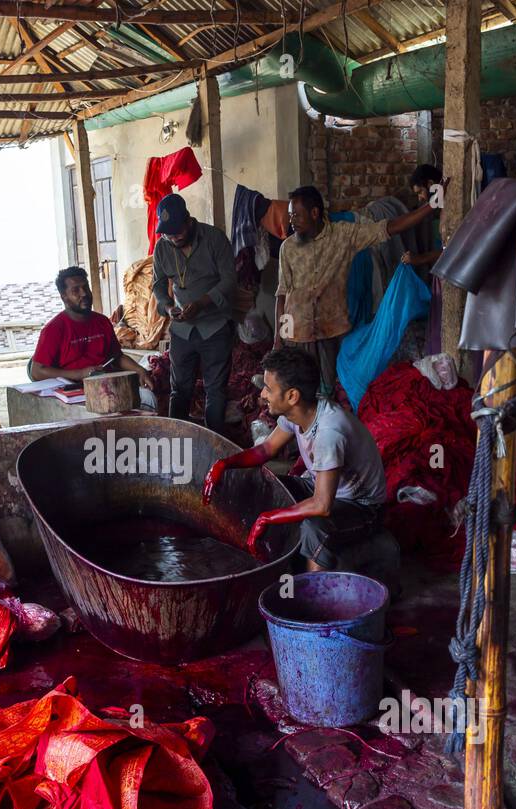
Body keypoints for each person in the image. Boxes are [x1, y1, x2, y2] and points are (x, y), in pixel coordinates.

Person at [203, 348, 386, 571]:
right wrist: (225, 464)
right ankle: (262, 561)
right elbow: (266, 450)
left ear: (292, 396)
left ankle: (313, 594)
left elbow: (322, 505)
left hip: (361, 506)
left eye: (268, 389)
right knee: (266, 484)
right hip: (321, 487)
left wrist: (268, 518)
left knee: (314, 528)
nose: (262, 395)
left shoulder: (329, 432)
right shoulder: (298, 412)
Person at [275, 184, 441, 398]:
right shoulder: (287, 248)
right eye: (290, 216)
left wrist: (430, 206)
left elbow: (388, 228)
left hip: (332, 331)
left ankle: (329, 428)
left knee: (330, 392)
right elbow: (282, 294)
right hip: (296, 333)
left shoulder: (344, 235)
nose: (292, 222)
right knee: (298, 394)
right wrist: (279, 338)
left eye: (296, 215)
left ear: (314, 213)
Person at [151, 193, 238, 435]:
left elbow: (230, 280)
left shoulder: (214, 239)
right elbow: (158, 285)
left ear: (189, 221)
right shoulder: (162, 247)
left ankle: (214, 444)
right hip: (182, 329)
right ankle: (176, 442)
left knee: (215, 390)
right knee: (179, 389)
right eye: (167, 234)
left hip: (216, 326)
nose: (173, 237)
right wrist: (169, 307)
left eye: (177, 231)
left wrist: (201, 303)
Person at [31, 266, 156, 408]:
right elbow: (36, 371)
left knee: (148, 398)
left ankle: (127, 431)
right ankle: (112, 431)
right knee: (108, 417)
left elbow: (117, 357)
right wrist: (79, 374)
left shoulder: (102, 322)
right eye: (75, 290)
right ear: (63, 296)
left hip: (108, 384)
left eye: (85, 287)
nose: (84, 293)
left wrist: (140, 370)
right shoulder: (54, 329)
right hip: (76, 391)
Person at [402, 164, 444, 271]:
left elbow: (453, 250)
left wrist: (420, 259)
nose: (420, 198)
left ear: (430, 184)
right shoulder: (436, 209)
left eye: (420, 192)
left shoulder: (450, 206)